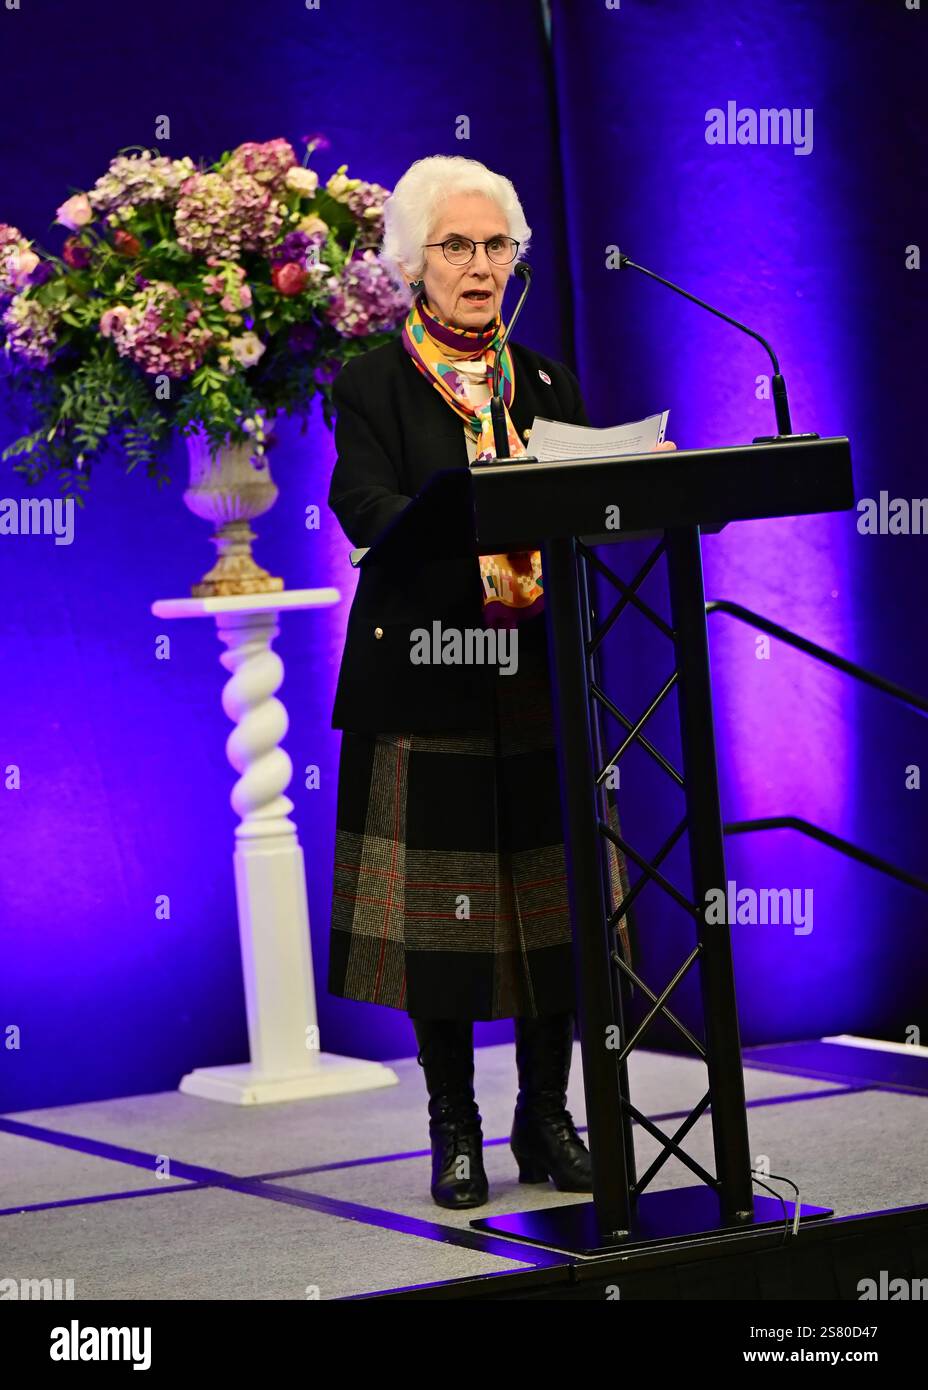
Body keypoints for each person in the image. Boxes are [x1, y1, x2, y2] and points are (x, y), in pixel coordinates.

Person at [326, 154, 672, 1211]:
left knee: (555, 916)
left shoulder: (548, 381)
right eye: (456, 247)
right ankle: (454, 1126)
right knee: (441, 929)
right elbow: (366, 506)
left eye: (496, 247)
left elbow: (591, 506)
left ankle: (545, 1117)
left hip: (539, 677)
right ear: (410, 263)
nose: (480, 267)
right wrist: (469, 517)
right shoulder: (371, 383)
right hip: (429, 672)